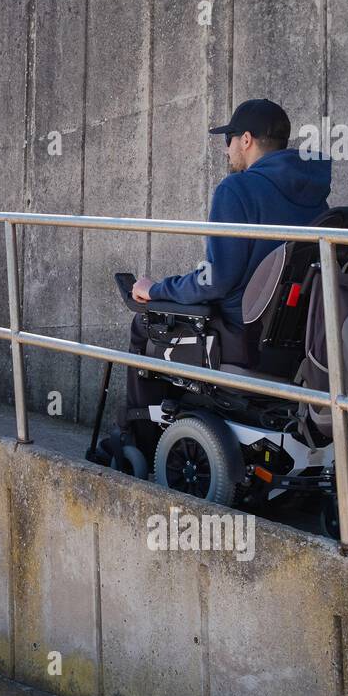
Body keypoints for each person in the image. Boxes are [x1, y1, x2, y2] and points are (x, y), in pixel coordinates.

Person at [118, 98, 332, 460]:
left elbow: (217, 279)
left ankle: (137, 442)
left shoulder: (236, 190)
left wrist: (156, 289)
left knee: (147, 323)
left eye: (229, 139)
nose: (227, 149)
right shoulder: (317, 202)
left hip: (243, 336)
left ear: (246, 139)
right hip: (299, 345)